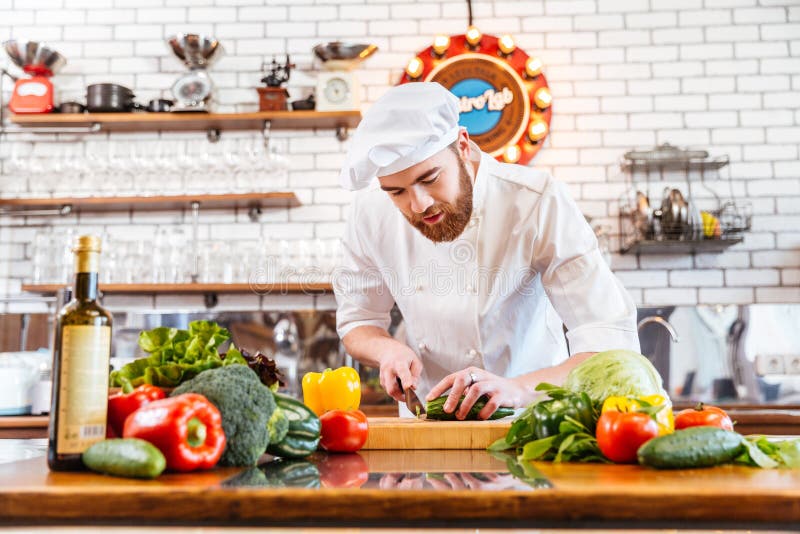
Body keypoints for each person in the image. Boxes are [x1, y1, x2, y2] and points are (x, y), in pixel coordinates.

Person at [333, 82, 639, 419]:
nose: (418, 204)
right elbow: (358, 321)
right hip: (429, 428)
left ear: (462, 145)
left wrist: (519, 388)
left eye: (431, 178)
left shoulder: (535, 200)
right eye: (397, 192)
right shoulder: (370, 213)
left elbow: (607, 339)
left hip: (529, 421)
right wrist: (386, 349)